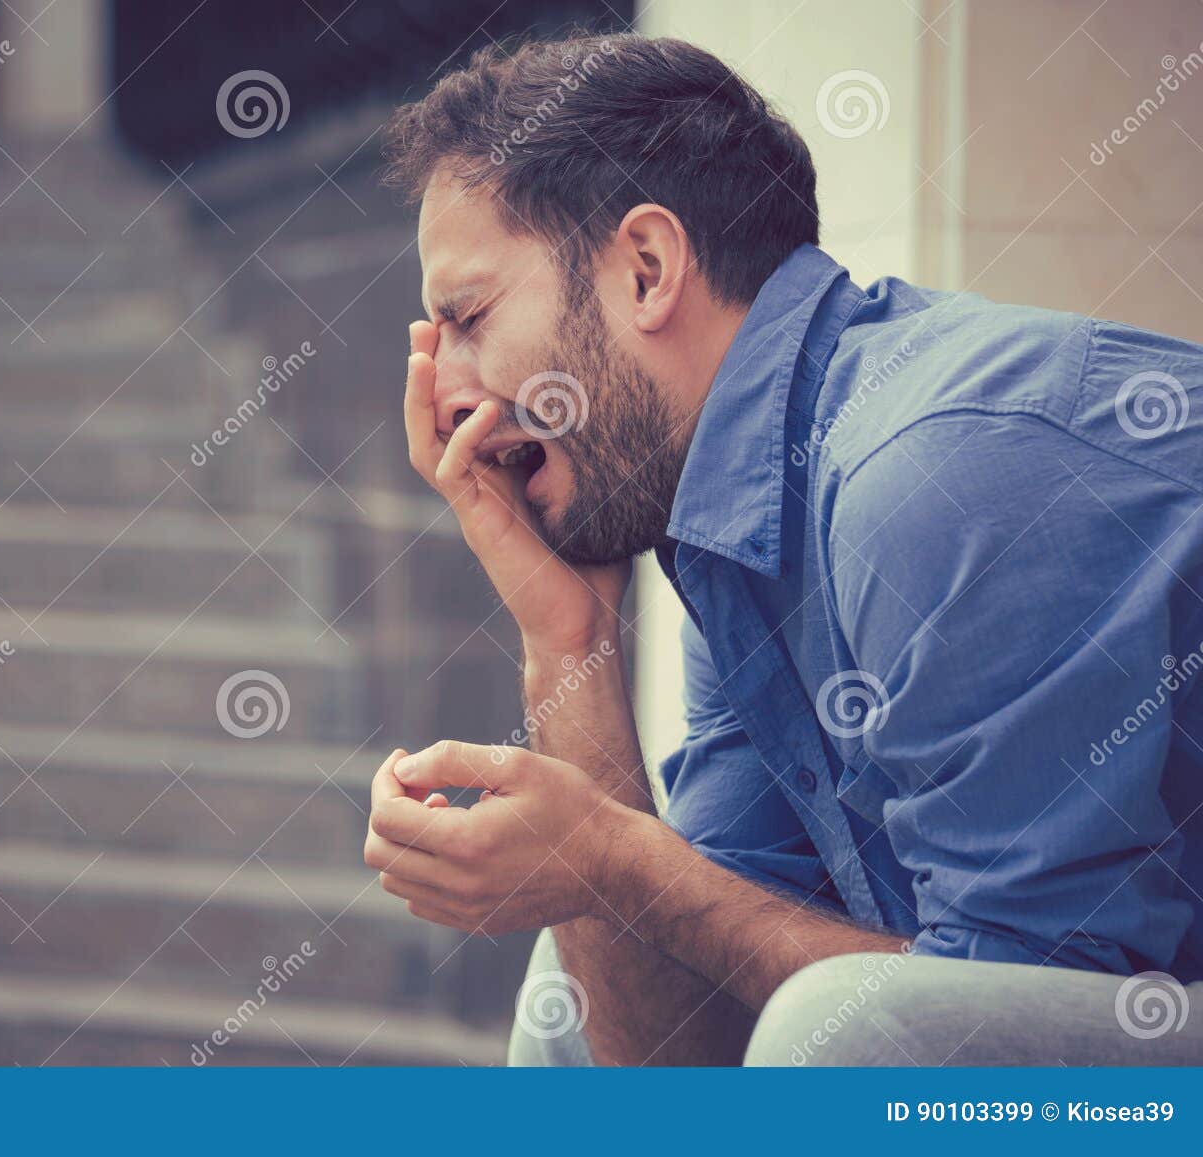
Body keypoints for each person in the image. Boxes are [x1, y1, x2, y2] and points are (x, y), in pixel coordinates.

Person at [362, 32, 1203, 1066]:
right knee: (570, 992)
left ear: (646, 269)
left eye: (467, 316)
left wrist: (614, 858)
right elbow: (673, 1068)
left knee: (845, 1024)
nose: (441, 394)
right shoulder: (737, 535)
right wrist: (563, 635)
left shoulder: (938, 472)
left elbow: (1000, 1036)